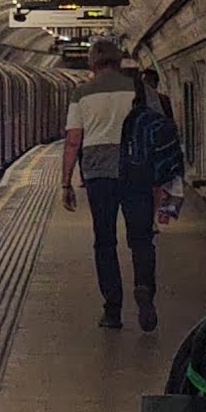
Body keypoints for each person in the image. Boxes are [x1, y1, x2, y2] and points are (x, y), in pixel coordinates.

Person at [61, 39, 158, 331]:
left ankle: (113, 310)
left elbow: (73, 140)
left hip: (98, 175)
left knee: (104, 241)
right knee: (141, 239)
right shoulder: (141, 89)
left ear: (91, 64)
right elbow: (158, 128)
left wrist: (66, 183)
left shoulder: (82, 93)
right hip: (136, 170)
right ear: (119, 61)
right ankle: (144, 289)